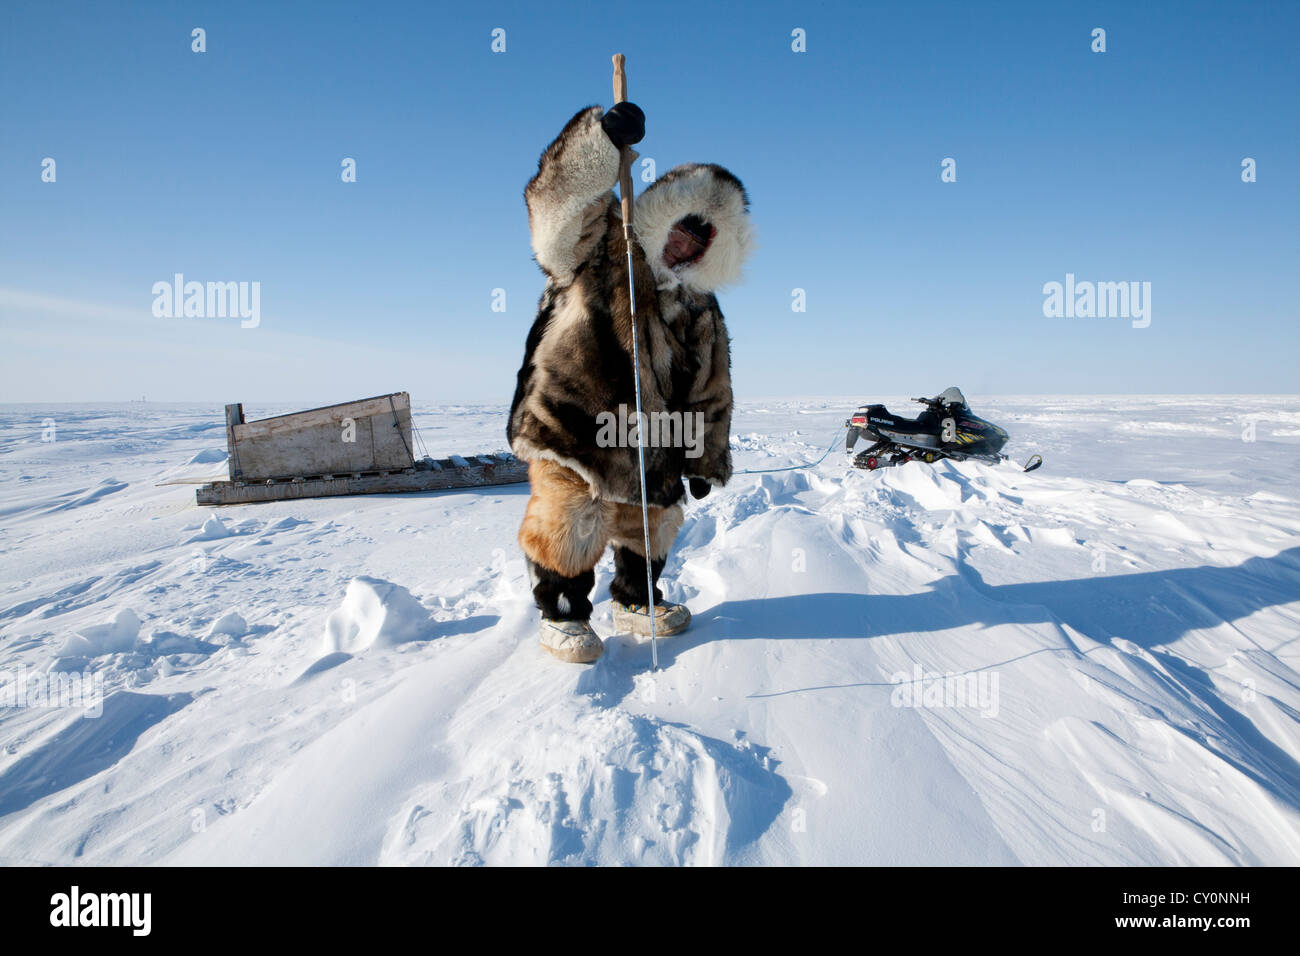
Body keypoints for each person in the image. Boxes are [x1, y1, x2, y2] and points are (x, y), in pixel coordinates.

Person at [507, 101, 754, 663]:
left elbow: (711, 387)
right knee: (571, 519)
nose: (686, 244)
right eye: (682, 227)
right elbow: (554, 212)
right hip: (573, 421)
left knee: (653, 518)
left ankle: (636, 600)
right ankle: (562, 614)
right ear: (662, 215)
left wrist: (702, 455)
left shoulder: (699, 305)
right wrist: (599, 146)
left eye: (702, 239)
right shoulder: (598, 252)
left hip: (653, 435)